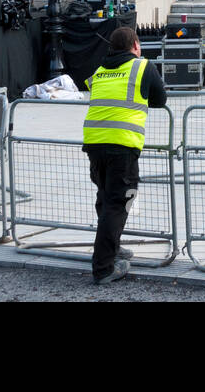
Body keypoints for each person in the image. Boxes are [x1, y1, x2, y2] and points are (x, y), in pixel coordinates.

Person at [82, 25, 167, 283]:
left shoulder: (99, 71)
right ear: (136, 45)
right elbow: (160, 99)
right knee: (119, 204)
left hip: (95, 144)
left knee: (105, 199)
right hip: (122, 145)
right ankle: (104, 267)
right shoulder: (142, 67)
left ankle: (112, 247)